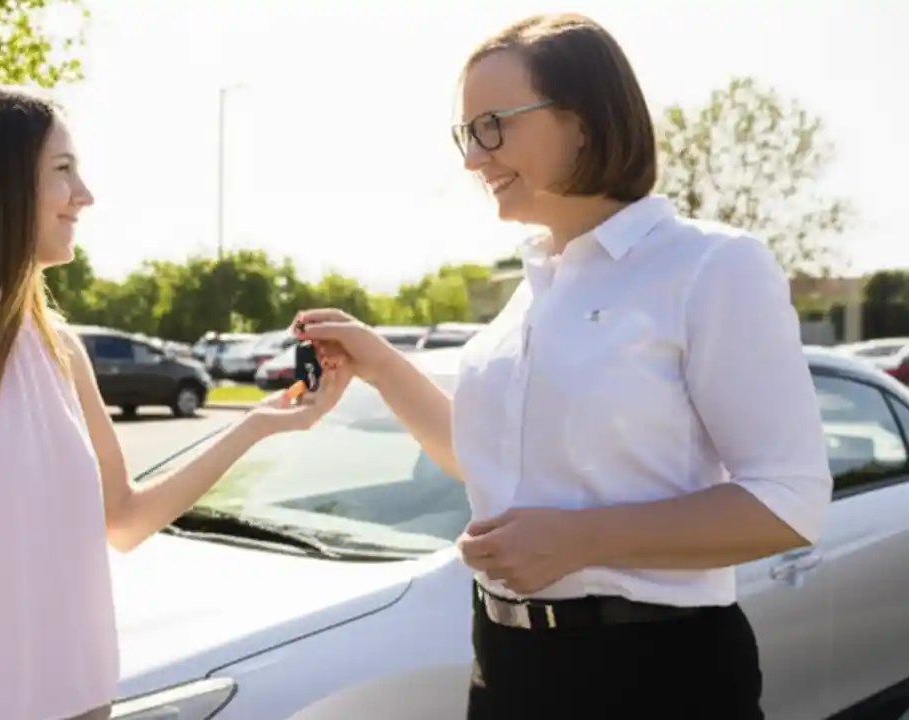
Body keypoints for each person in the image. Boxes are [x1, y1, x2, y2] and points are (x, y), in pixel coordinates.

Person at [294, 13, 832, 720]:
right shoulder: (532, 289)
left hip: (653, 674)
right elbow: (485, 462)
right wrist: (382, 364)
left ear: (582, 121)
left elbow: (789, 501)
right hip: (506, 664)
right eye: (467, 132)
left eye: (493, 125)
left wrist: (579, 541)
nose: (472, 157)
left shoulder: (711, 264)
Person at [0, 83, 349, 720]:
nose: (85, 194)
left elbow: (125, 518)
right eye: (63, 171)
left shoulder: (61, 349)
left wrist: (257, 426)